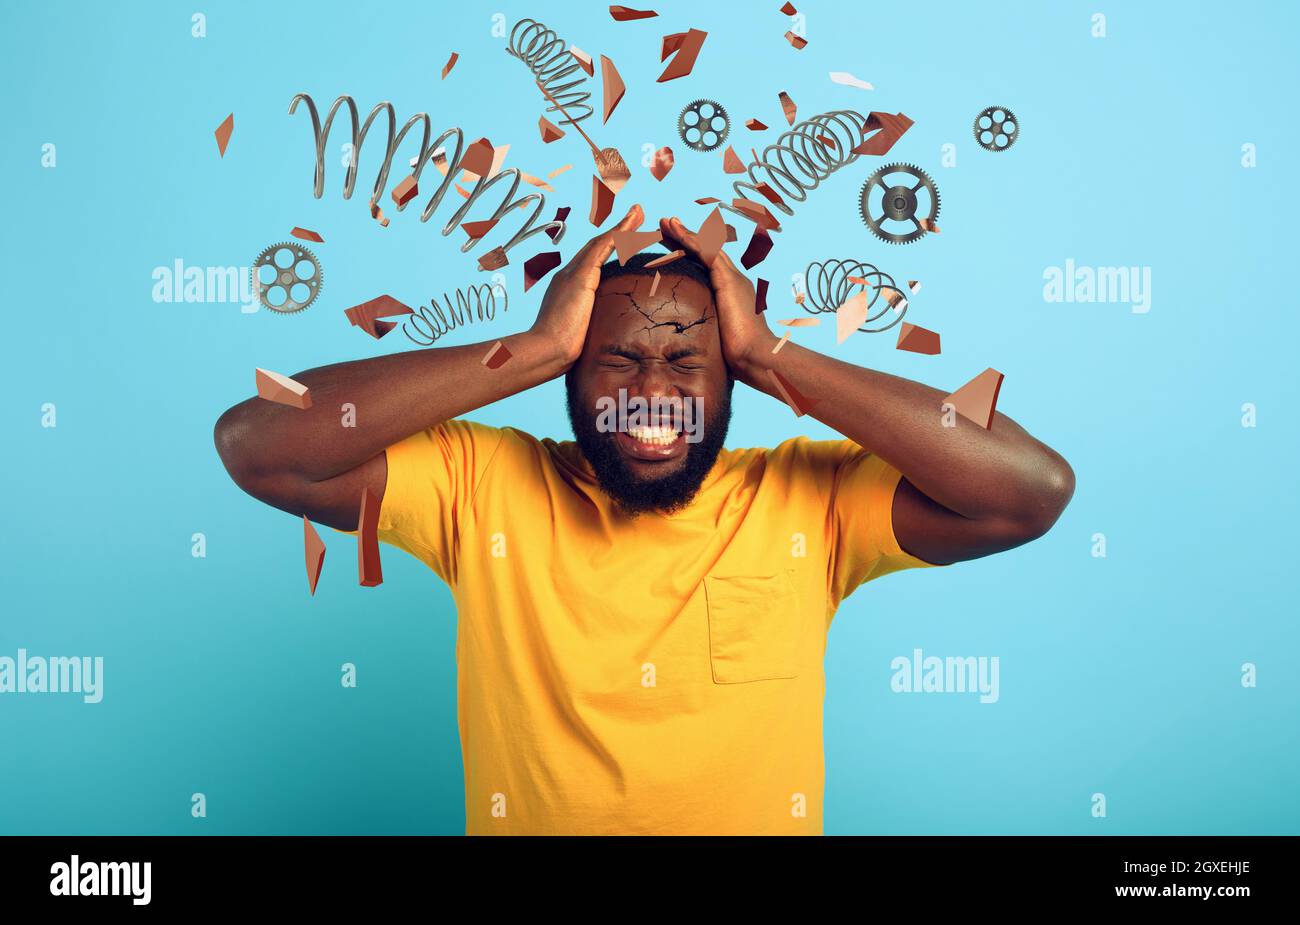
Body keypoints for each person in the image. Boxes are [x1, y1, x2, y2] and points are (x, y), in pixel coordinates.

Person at [214, 205, 1075, 835]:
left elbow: (1030, 488)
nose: (653, 396)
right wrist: (536, 345)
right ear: (569, 378)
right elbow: (260, 440)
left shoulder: (811, 498)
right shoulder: (479, 483)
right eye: (615, 360)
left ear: (732, 378)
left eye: (688, 362)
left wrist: (773, 353)